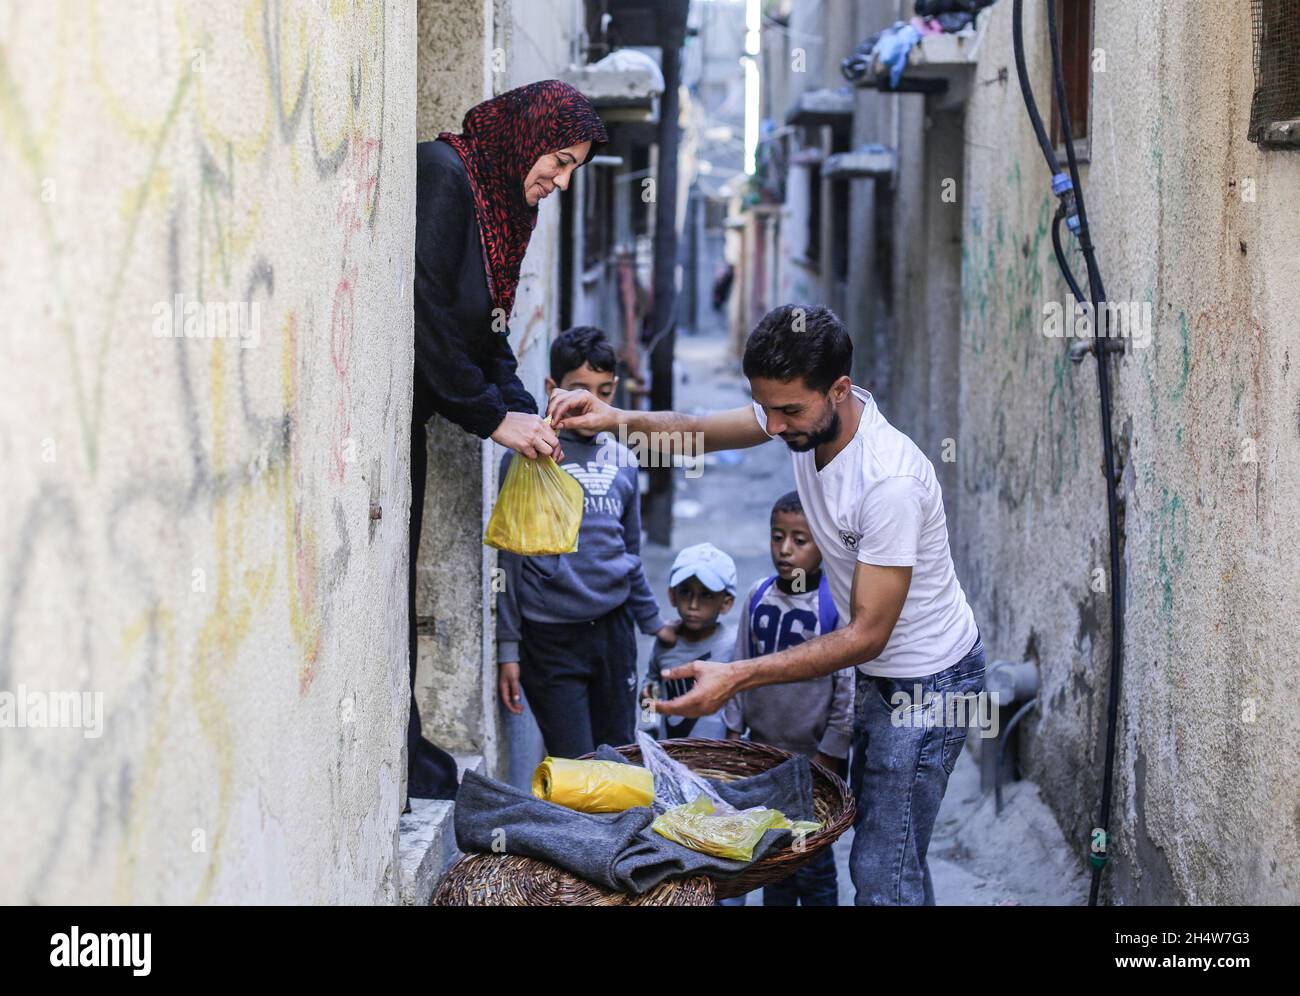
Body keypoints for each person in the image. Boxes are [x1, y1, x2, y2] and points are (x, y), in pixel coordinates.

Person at [547, 304, 985, 906]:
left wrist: (737, 675)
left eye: (789, 412)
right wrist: (614, 417)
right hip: (883, 678)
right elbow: (697, 432)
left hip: (927, 686)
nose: (774, 428)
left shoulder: (889, 485)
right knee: (894, 851)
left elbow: (865, 635)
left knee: (882, 870)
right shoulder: (804, 411)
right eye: (767, 408)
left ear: (838, 390)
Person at [410, 81, 608, 799]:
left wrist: (532, 412)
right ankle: (404, 752)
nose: (558, 181)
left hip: (427, 420)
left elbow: (488, 336)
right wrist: (494, 421)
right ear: (525, 138)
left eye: (571, 170)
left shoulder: (503, 210)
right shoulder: (444, 176)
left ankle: (407, 749)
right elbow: (423, 316)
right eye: (557, 160)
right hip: (398, 416)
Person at [495, 327, 673, 757]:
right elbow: (508, 562)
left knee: (618, 760)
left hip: (613, 634)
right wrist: (508, 649)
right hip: (550, 638)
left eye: (604, 391)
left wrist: (654, 624)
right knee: (575, 767)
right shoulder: (527, 460)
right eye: (579, 391)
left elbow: (630, 555)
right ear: (552, 390)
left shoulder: (624, 460)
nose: (592, 403)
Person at [721, 490, 854, 906]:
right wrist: (731, 736)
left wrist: (828, 757)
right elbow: (738, 667)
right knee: (773, 856)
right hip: (763, 756)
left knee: (811, 859)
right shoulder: (758, 596)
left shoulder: (835, 606)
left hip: (814, 758)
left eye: (800, 540)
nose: (785, 549)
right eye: (777, 536)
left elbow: (847, 690)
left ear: (824, 545)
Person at [642, 543, 737, 740]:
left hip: (718, 759)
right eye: (685, 592)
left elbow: (741, 703)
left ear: (726, 603)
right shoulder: (666, 642)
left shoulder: (732, 644)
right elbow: (650, 689)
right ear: (672, 596)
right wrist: (649, 729)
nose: (693, 605)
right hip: (668, 751)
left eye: (706, 595)